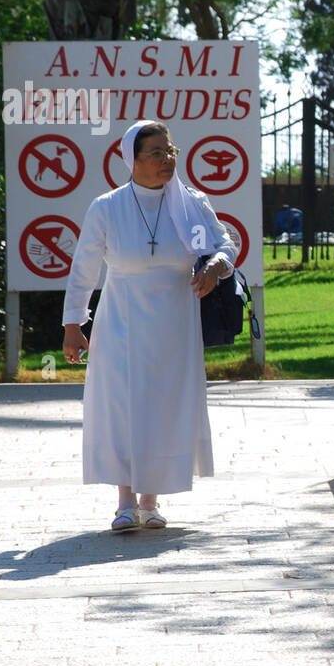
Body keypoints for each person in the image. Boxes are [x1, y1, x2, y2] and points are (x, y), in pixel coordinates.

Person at [61, 120, 238, 531]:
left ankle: (152, 500)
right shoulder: (108, 207)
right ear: (133, 160)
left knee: (164, 407)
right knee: (122, 406)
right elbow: (83, 271)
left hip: (175, 323)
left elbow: (222, 244)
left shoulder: (190, 204)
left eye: (170, 151)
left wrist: (215, 265)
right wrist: (74, 324)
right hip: (121, 321)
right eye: (156, 153)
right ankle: (124, 501)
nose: (166, 159)